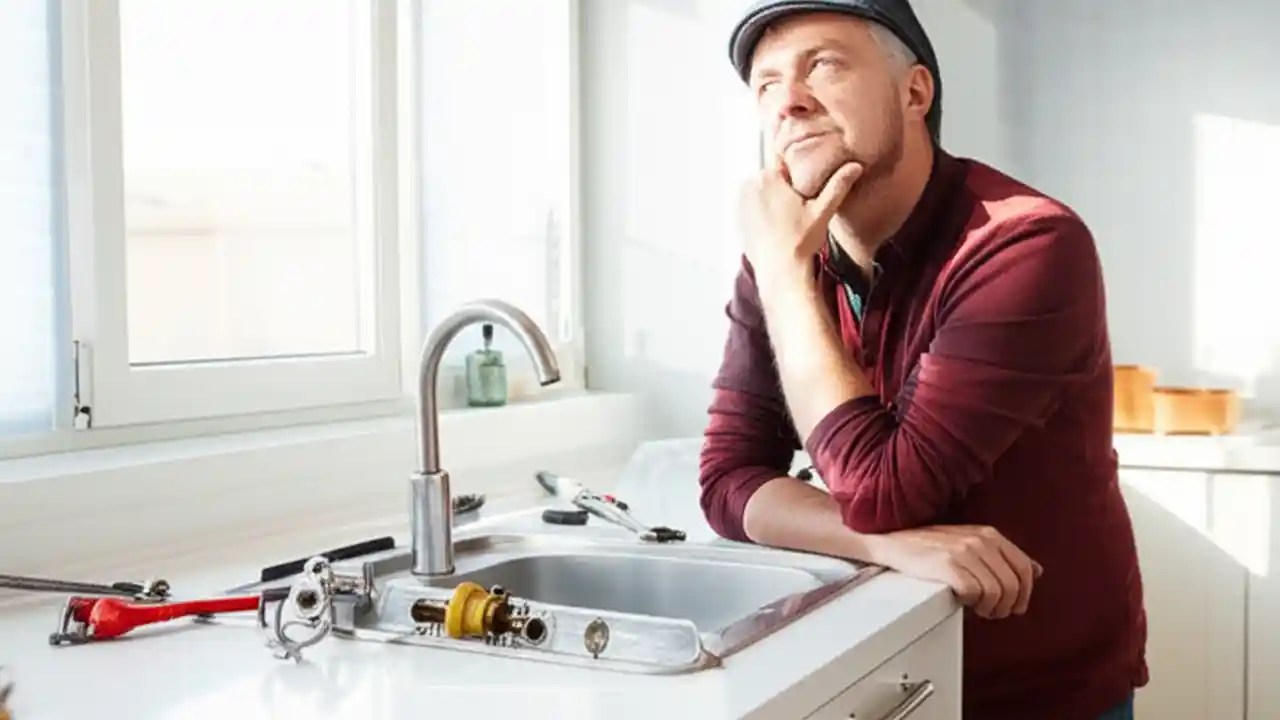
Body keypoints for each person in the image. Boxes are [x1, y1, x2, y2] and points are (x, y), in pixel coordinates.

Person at [698, 1, 1148, 718]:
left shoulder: (1026, 243)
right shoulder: (782, 259)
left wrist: (784, 275)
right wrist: (889, 547)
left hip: (1039, 689)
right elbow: (726, 479)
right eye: (766, 83)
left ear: (914, 92)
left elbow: (883, 494)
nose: (789, 100)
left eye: (824, 64)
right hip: (885, 664)